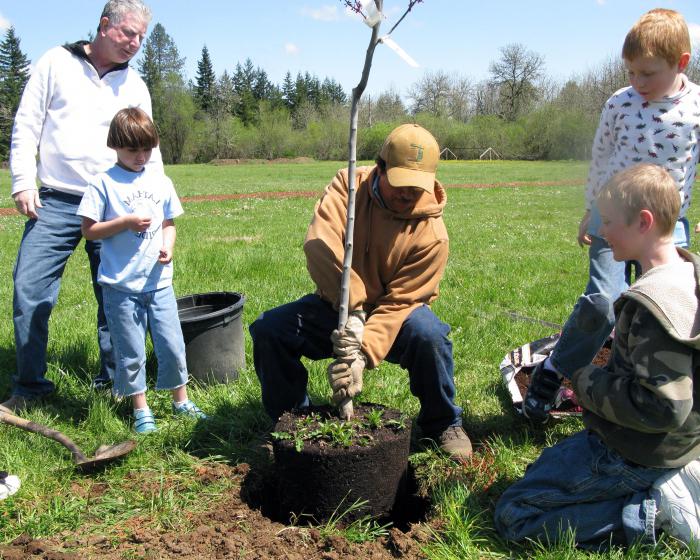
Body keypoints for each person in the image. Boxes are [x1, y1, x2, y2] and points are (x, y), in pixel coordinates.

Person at [495, 164, 700, 551]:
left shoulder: (654, 307)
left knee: (515, 513)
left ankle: (650, 515)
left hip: (638, 453)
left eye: (608, 222)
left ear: (643, 222)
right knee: (540, 470)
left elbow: (663, 408)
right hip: (669, 444)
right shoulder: (688, 274)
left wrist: (583, 379)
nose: (601, 232)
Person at [249, 124, 472, 460]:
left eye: (417, 186)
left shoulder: (433, 235)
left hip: (395, 316)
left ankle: (444, 423)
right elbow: (319, 244)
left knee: (431, 337)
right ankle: (289, 421)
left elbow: (402, 302)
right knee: (270, 330)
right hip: (336, 304)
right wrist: (352, 309)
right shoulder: (348, 187)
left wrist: (361, 354)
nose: (408, 194)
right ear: (380, 167)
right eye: (401, 183)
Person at [522, 8, 700, 423]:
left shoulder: (696, 108)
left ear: (682, 63)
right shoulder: (619, 104)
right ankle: (555, 371)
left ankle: (645, 388)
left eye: (648, 74)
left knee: (668, 310)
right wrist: (590, 210)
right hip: (613, 222)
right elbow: (600, 158)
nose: (637, 83)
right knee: (604, 302)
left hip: (666, 230)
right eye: (631, 72)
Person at [4, 0, 160, 412]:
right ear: (104, 25)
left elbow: (149, 148)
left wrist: (156, 205)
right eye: (129, 33)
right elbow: (27, 122)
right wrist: (22, 180)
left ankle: (116, 384)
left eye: (141, 37)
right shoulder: (56, 62)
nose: (135, 43)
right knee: (30, 290)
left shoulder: (135, 86)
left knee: (116, 296)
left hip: (114, 202)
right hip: (55, 200)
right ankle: (30, 386)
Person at [77, 107, 205, 433]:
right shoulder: (103, 184)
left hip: (159, 283)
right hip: (120, 286)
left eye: (146, 148)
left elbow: (169, 223)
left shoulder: (161, 181)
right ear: (115, 145)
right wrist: (124, 223)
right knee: (130, 352)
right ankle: (141, 409)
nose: (140, 156)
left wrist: (169, 246)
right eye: (132, 149)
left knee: (173, 345)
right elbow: (89, 230)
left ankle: (181, 401)